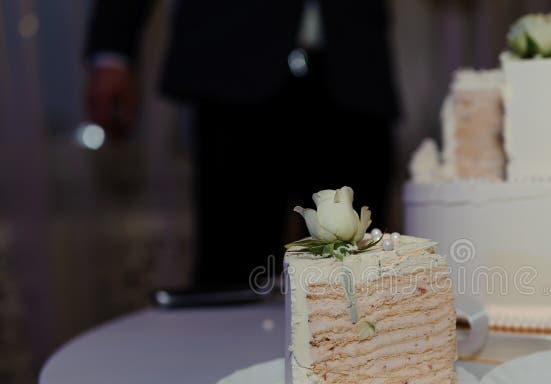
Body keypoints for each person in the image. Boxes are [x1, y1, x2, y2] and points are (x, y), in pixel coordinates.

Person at [85, 0, 398, 287]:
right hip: (232, 73)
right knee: (233, 273)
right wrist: (113, 52)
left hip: (354, 74)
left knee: (355, 278)